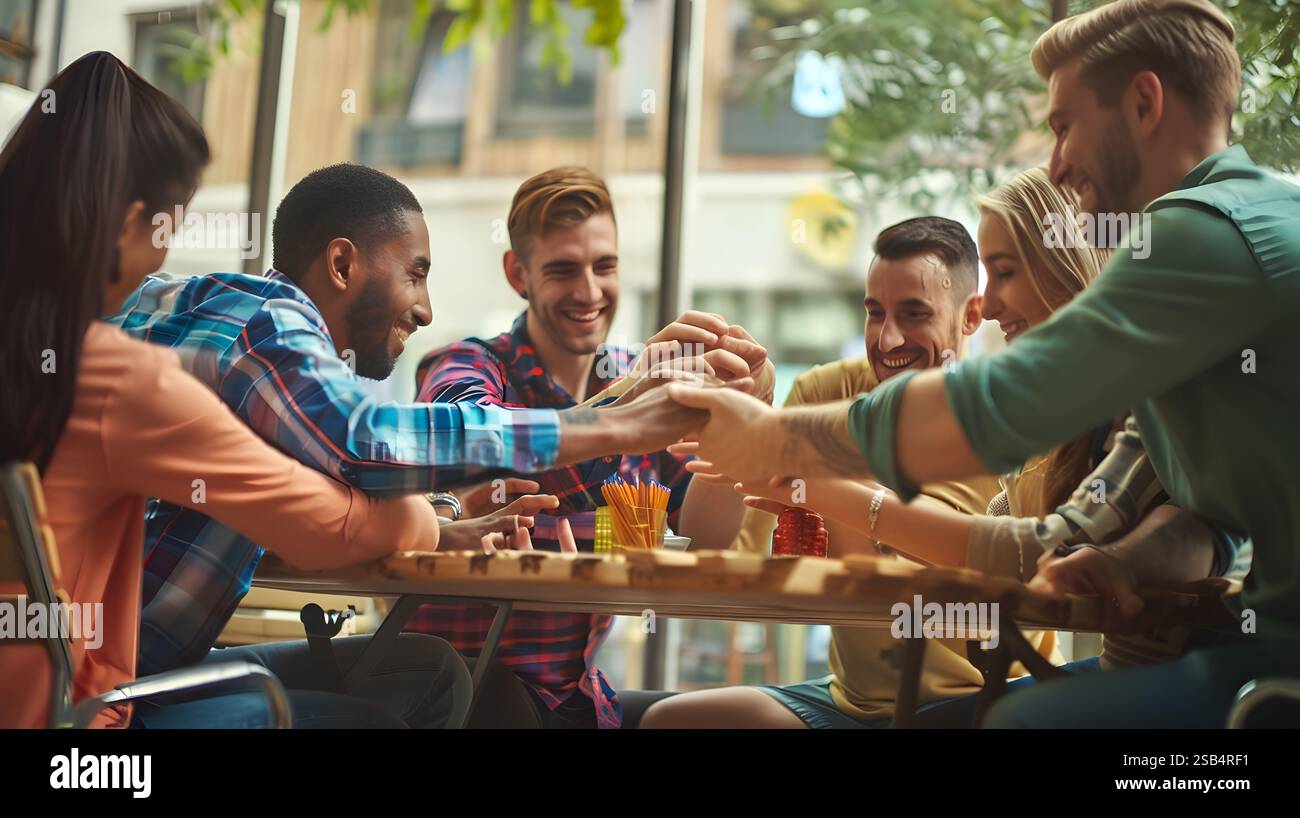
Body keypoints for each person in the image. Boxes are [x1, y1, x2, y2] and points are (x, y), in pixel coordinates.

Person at [666, 0, 1298, 728]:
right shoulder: (1244, 233)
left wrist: (780, 440)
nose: (1058, 162)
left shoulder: (1200, 234)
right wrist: (1126, 564)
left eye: (1065, 125)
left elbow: (999, 406)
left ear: (1144, 102)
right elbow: (1202, 524)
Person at [104, 162, 708, 726]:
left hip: (137, 657)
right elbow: (375, 444)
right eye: (415, 274)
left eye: (605, 266)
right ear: (343, 265)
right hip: (116, 681)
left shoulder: (191, 305)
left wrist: (438, 526)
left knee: (431, 670)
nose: (424, 308)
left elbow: (336, 489)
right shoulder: (270, 329)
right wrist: (619, 423)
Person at [0, 52, 442, 729]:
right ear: (126, 225)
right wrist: (425, 518)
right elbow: (344, 523)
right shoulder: (119, 375)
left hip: (59, 683)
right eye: (167, 229)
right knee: (388, 713)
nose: (160, 263)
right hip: (88, 722)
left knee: (423, 669)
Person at [644, 196, 1102, 727]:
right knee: (668, 721)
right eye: (874, 312)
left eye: (914, 314)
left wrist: (816, 476)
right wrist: (741, 415)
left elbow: (961, 577)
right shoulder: (826, 390)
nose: (887, 340)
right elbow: (708, 543)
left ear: (972, 315)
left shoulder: (1004, 416)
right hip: (852, 701)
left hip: (986, 694)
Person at [409, 167, 775, 727]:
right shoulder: (467, 364)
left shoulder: (640, 380)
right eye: (562, 270)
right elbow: (475, 437)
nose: (589, 291)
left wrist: (744, 416)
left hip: (579, 695)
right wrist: (629, 402)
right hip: (465, 690)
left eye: (604, 266)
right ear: (518, 274)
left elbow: (706, 537)